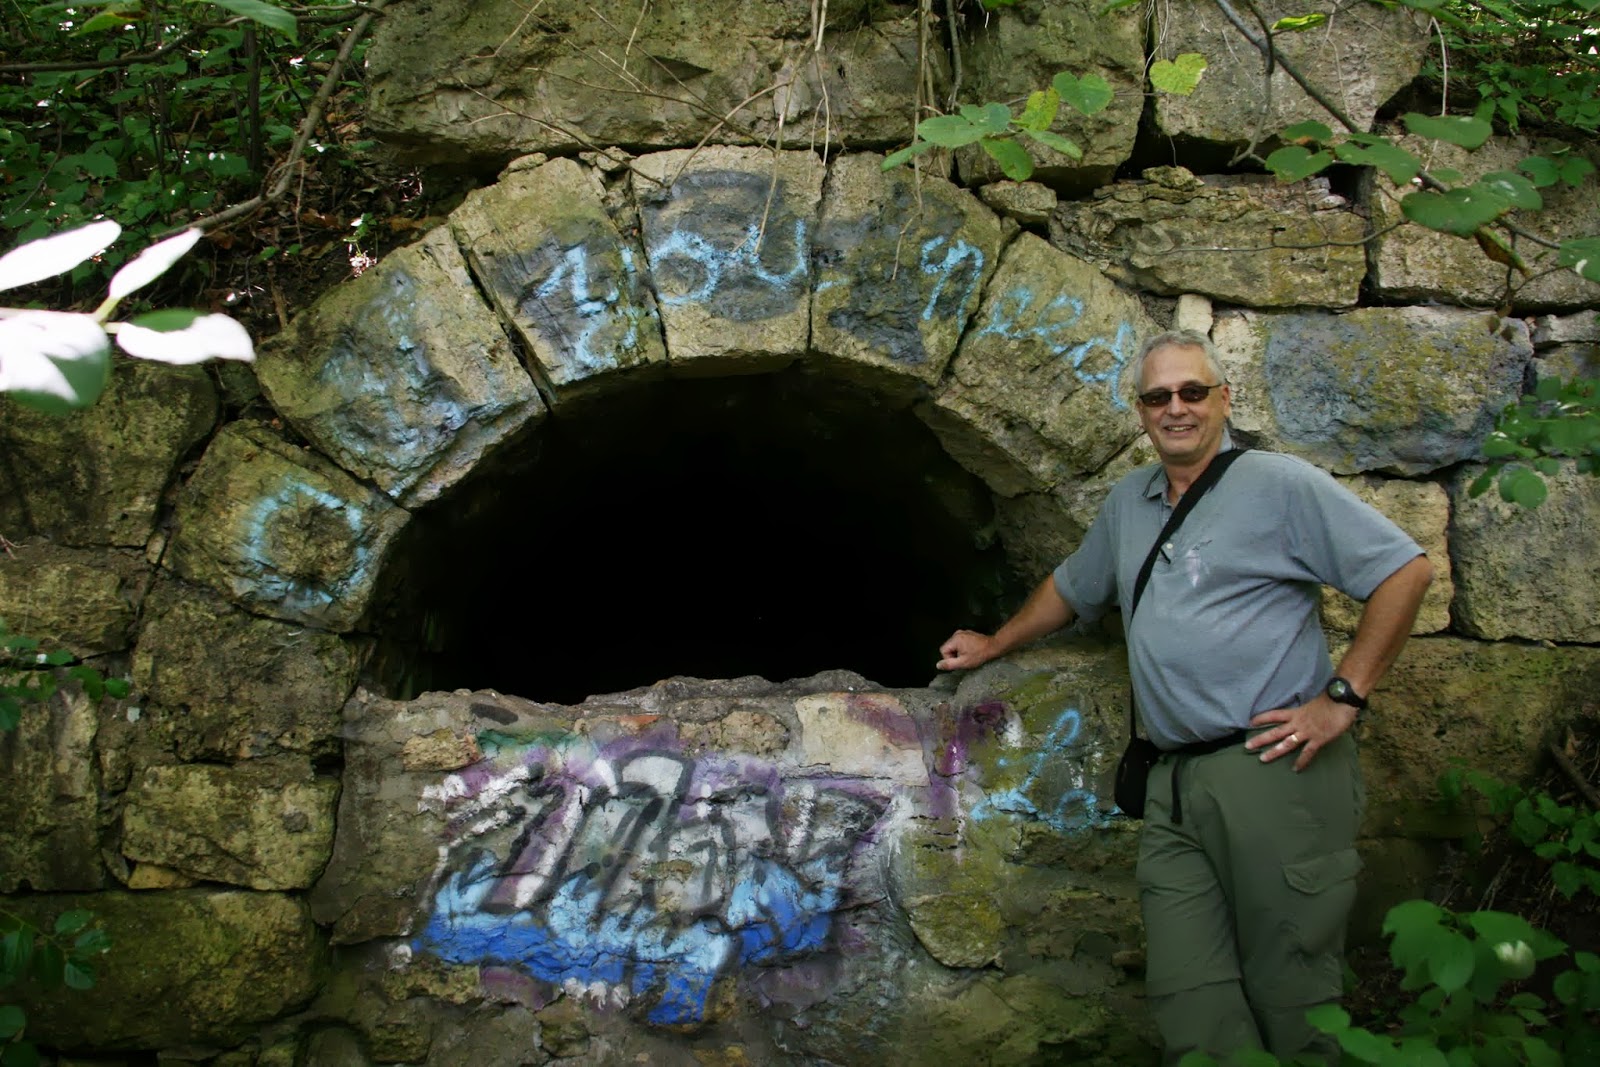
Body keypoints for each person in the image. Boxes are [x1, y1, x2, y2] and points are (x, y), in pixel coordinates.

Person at [936, 329, 1433, 1065]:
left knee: (1291, 988)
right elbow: (1074, 589)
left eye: (1193, 391)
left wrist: (1341, 696)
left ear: (1223, 399)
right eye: (1159, 395)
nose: (1177, 407)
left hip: (1271, 769)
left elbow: (1404, 571)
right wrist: (995, 643)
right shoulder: (1129, 502)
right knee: (1187, 993)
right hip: (1169, 782)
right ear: (1139, 411)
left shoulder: (1277, 484)